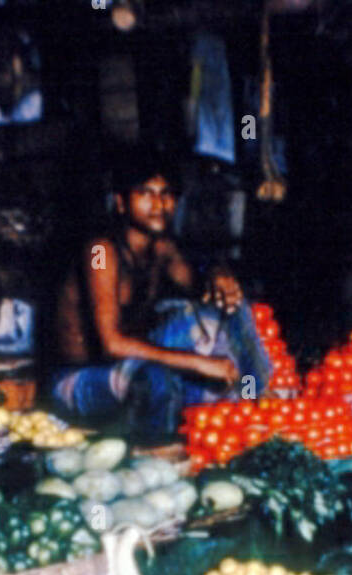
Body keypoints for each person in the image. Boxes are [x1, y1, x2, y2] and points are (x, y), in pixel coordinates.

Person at [51, 149, 270, 435]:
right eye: (145, 192)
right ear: (120, 202)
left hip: (134, 366)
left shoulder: (162, 249)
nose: (159, 203)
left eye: (166, 193)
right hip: (84, 379)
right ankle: (156, 452)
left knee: (232, 306)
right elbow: (112, 345)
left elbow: (204, 287)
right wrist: (200, 363)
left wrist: (219, 273)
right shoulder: (99, 253)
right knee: (157, 378)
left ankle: (253, 399)